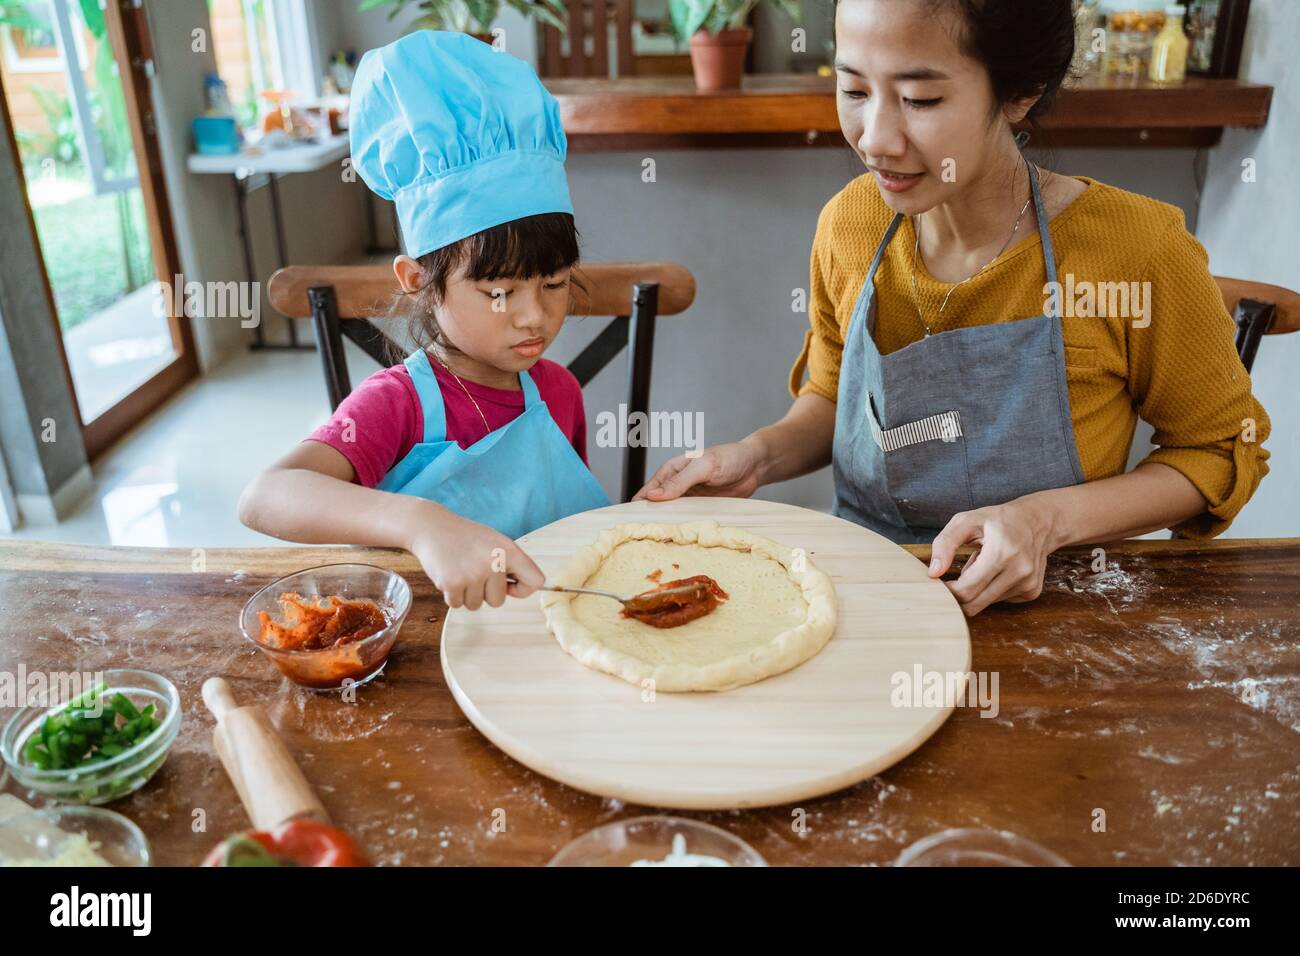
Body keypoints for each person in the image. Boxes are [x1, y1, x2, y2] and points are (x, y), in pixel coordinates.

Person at [637, 0, 1270, 616]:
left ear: (1020, 91)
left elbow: (1216, 451)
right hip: (864, 600)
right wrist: (757, 456)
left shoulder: (1136, 249)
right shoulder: (850, 226)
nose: (876, 140)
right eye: (854, 90)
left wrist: (1044, 522)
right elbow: (833, 399)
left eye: (920, 99)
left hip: (1059, 617)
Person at [239, 31, 608, 610]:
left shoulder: (559, 394)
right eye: (499, 291)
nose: (534, 316)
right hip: (428, 647)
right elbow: (265, 496)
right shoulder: (398, 405)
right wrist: (420, 522)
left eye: (555, 283)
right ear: (418, 281)